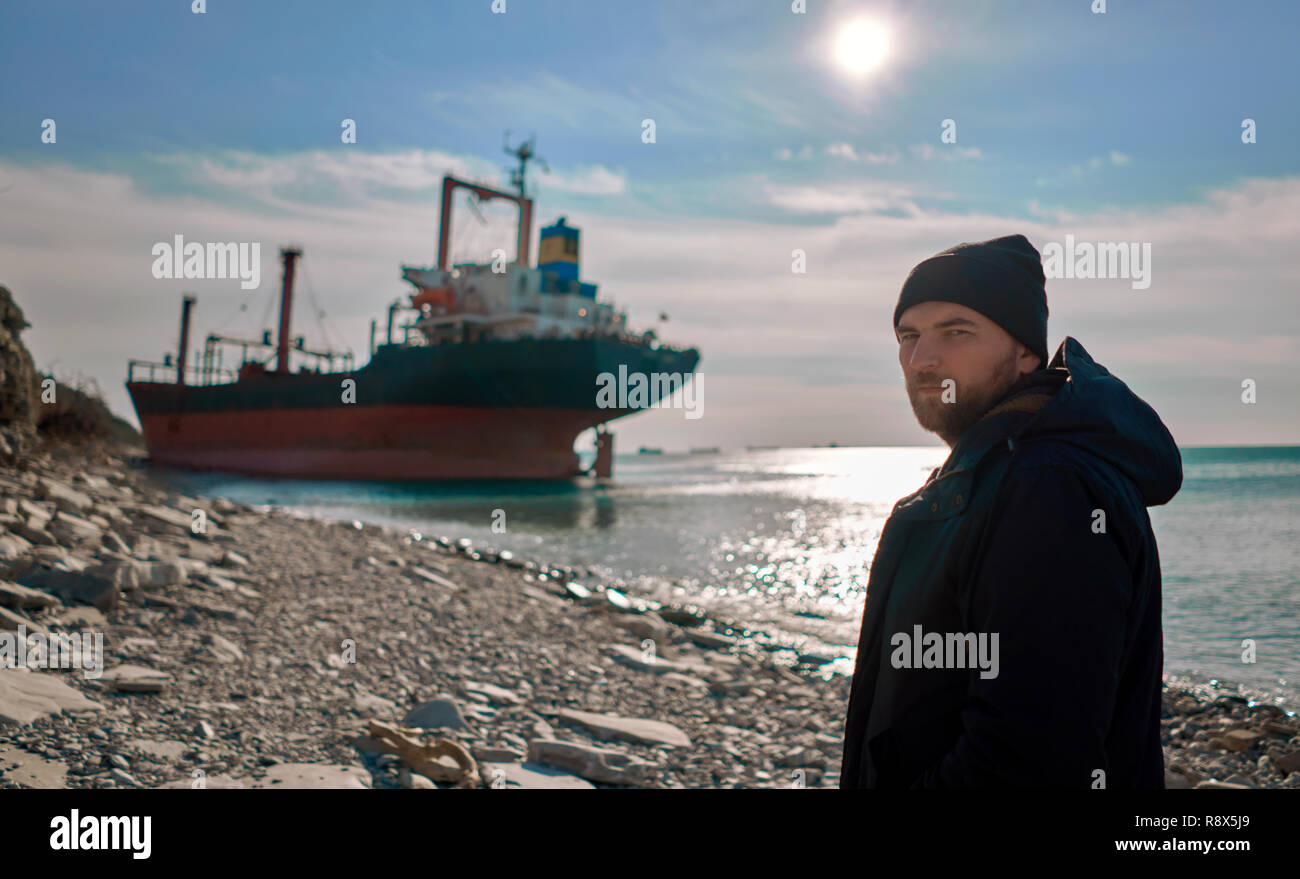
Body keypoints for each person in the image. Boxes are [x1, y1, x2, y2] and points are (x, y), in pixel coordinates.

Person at [840, 234, 1183, 788]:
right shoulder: (988, 473)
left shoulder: (1047, 488)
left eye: (956, 332)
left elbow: (1030, 760)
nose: (922, 359)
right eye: (909, 336)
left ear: (1026, 351)